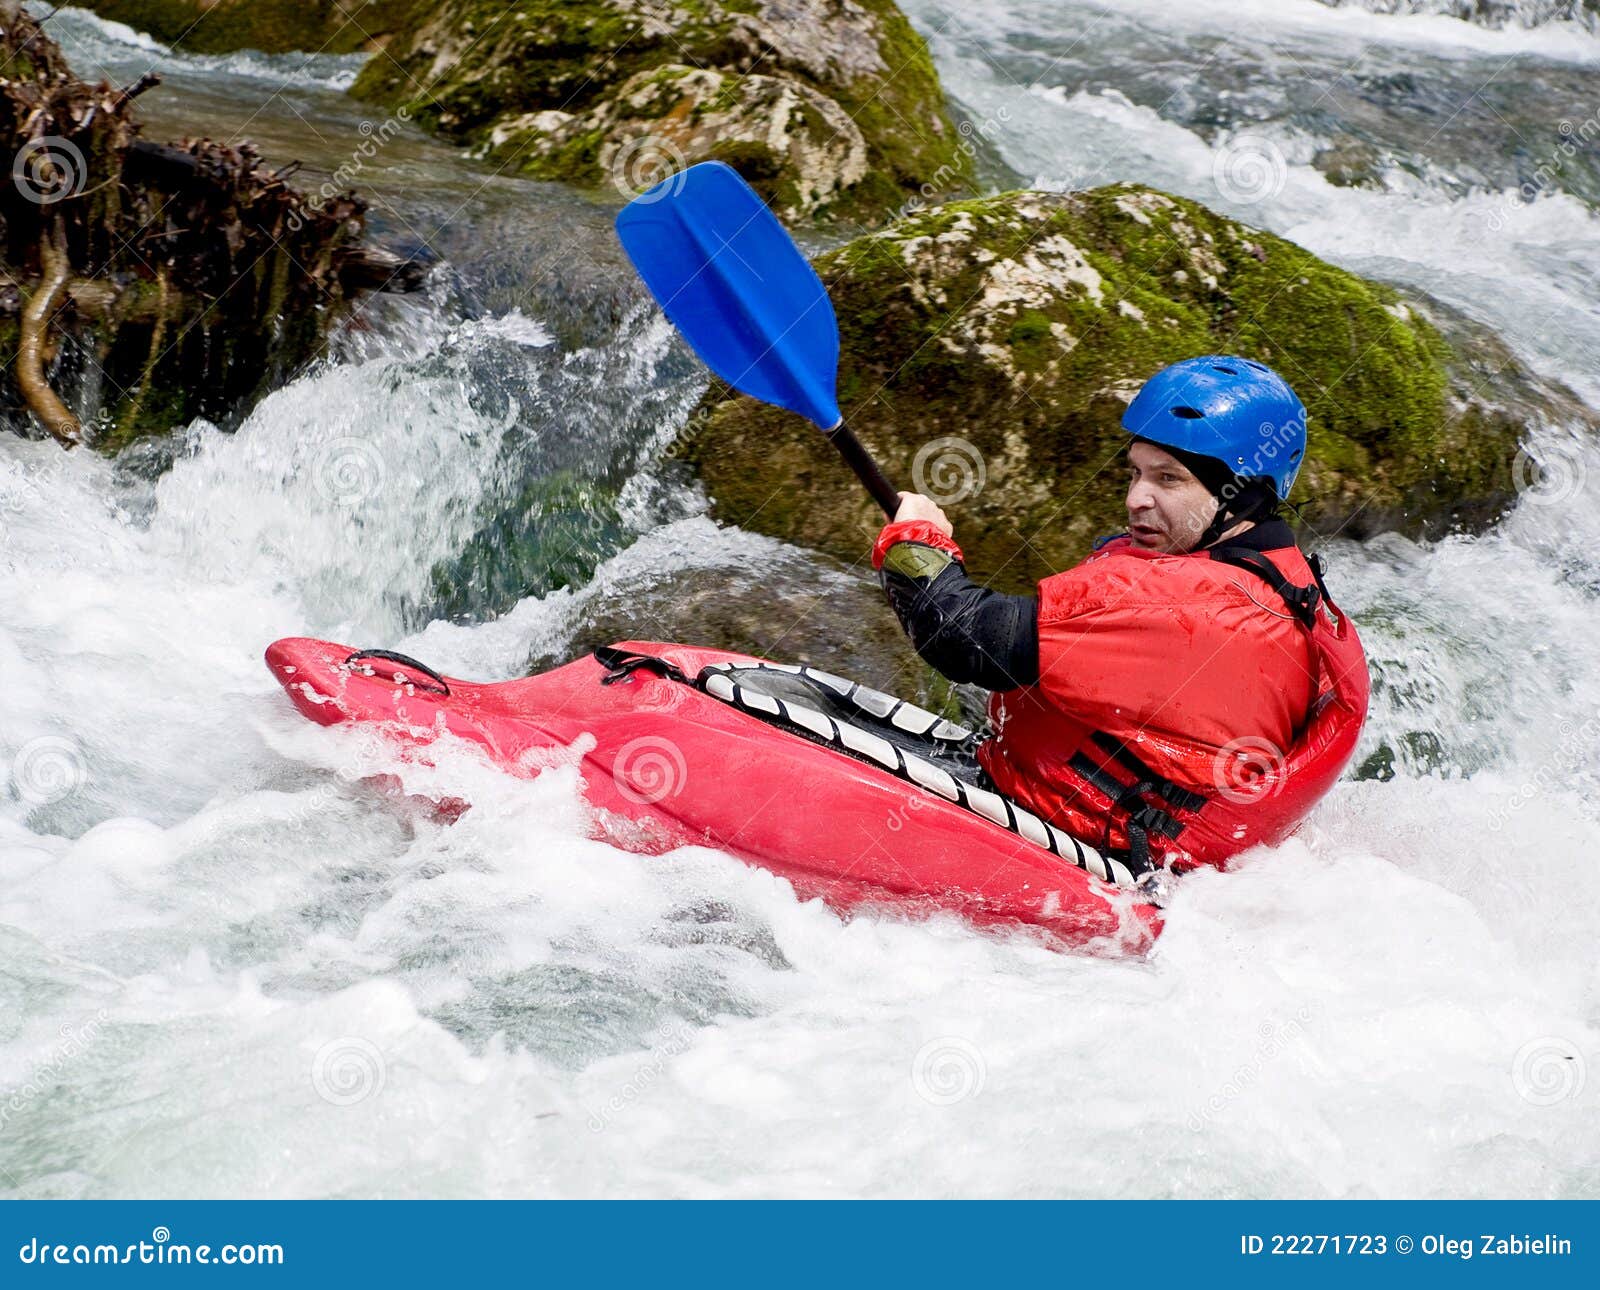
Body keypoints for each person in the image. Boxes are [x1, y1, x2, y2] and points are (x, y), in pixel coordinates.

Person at [874, 355, 1367, 874]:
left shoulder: (1194, 602)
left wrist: (915, 540)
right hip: (1112, 837)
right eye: (1135, 472)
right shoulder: (1279, 581)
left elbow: (961, 635)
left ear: (1240, 495)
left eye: (1168, 479)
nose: (1136, 499)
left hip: (1091, 858)